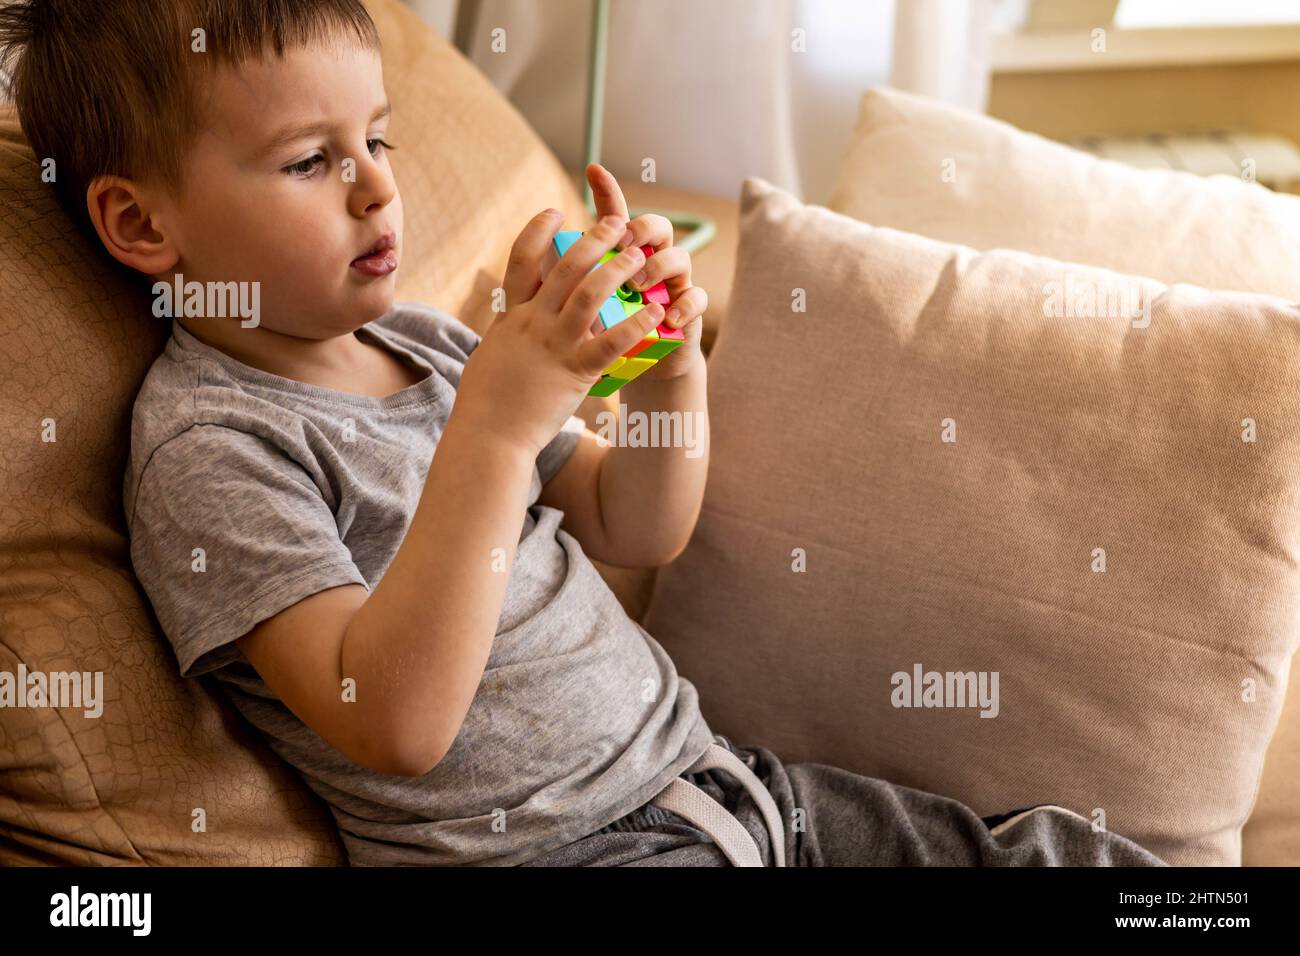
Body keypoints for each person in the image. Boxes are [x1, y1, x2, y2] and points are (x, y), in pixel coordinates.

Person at [0, 0, 1166, 867]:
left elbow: (636, 521)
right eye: (310, 160)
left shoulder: (429, 344)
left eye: (379, 139)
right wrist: (497, 432)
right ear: (140, 221)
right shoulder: (210, 450)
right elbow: (392, 721)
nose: (374, 189)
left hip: (731, 785)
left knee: (1075, 856)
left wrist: (662, 364)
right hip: (554, 854)